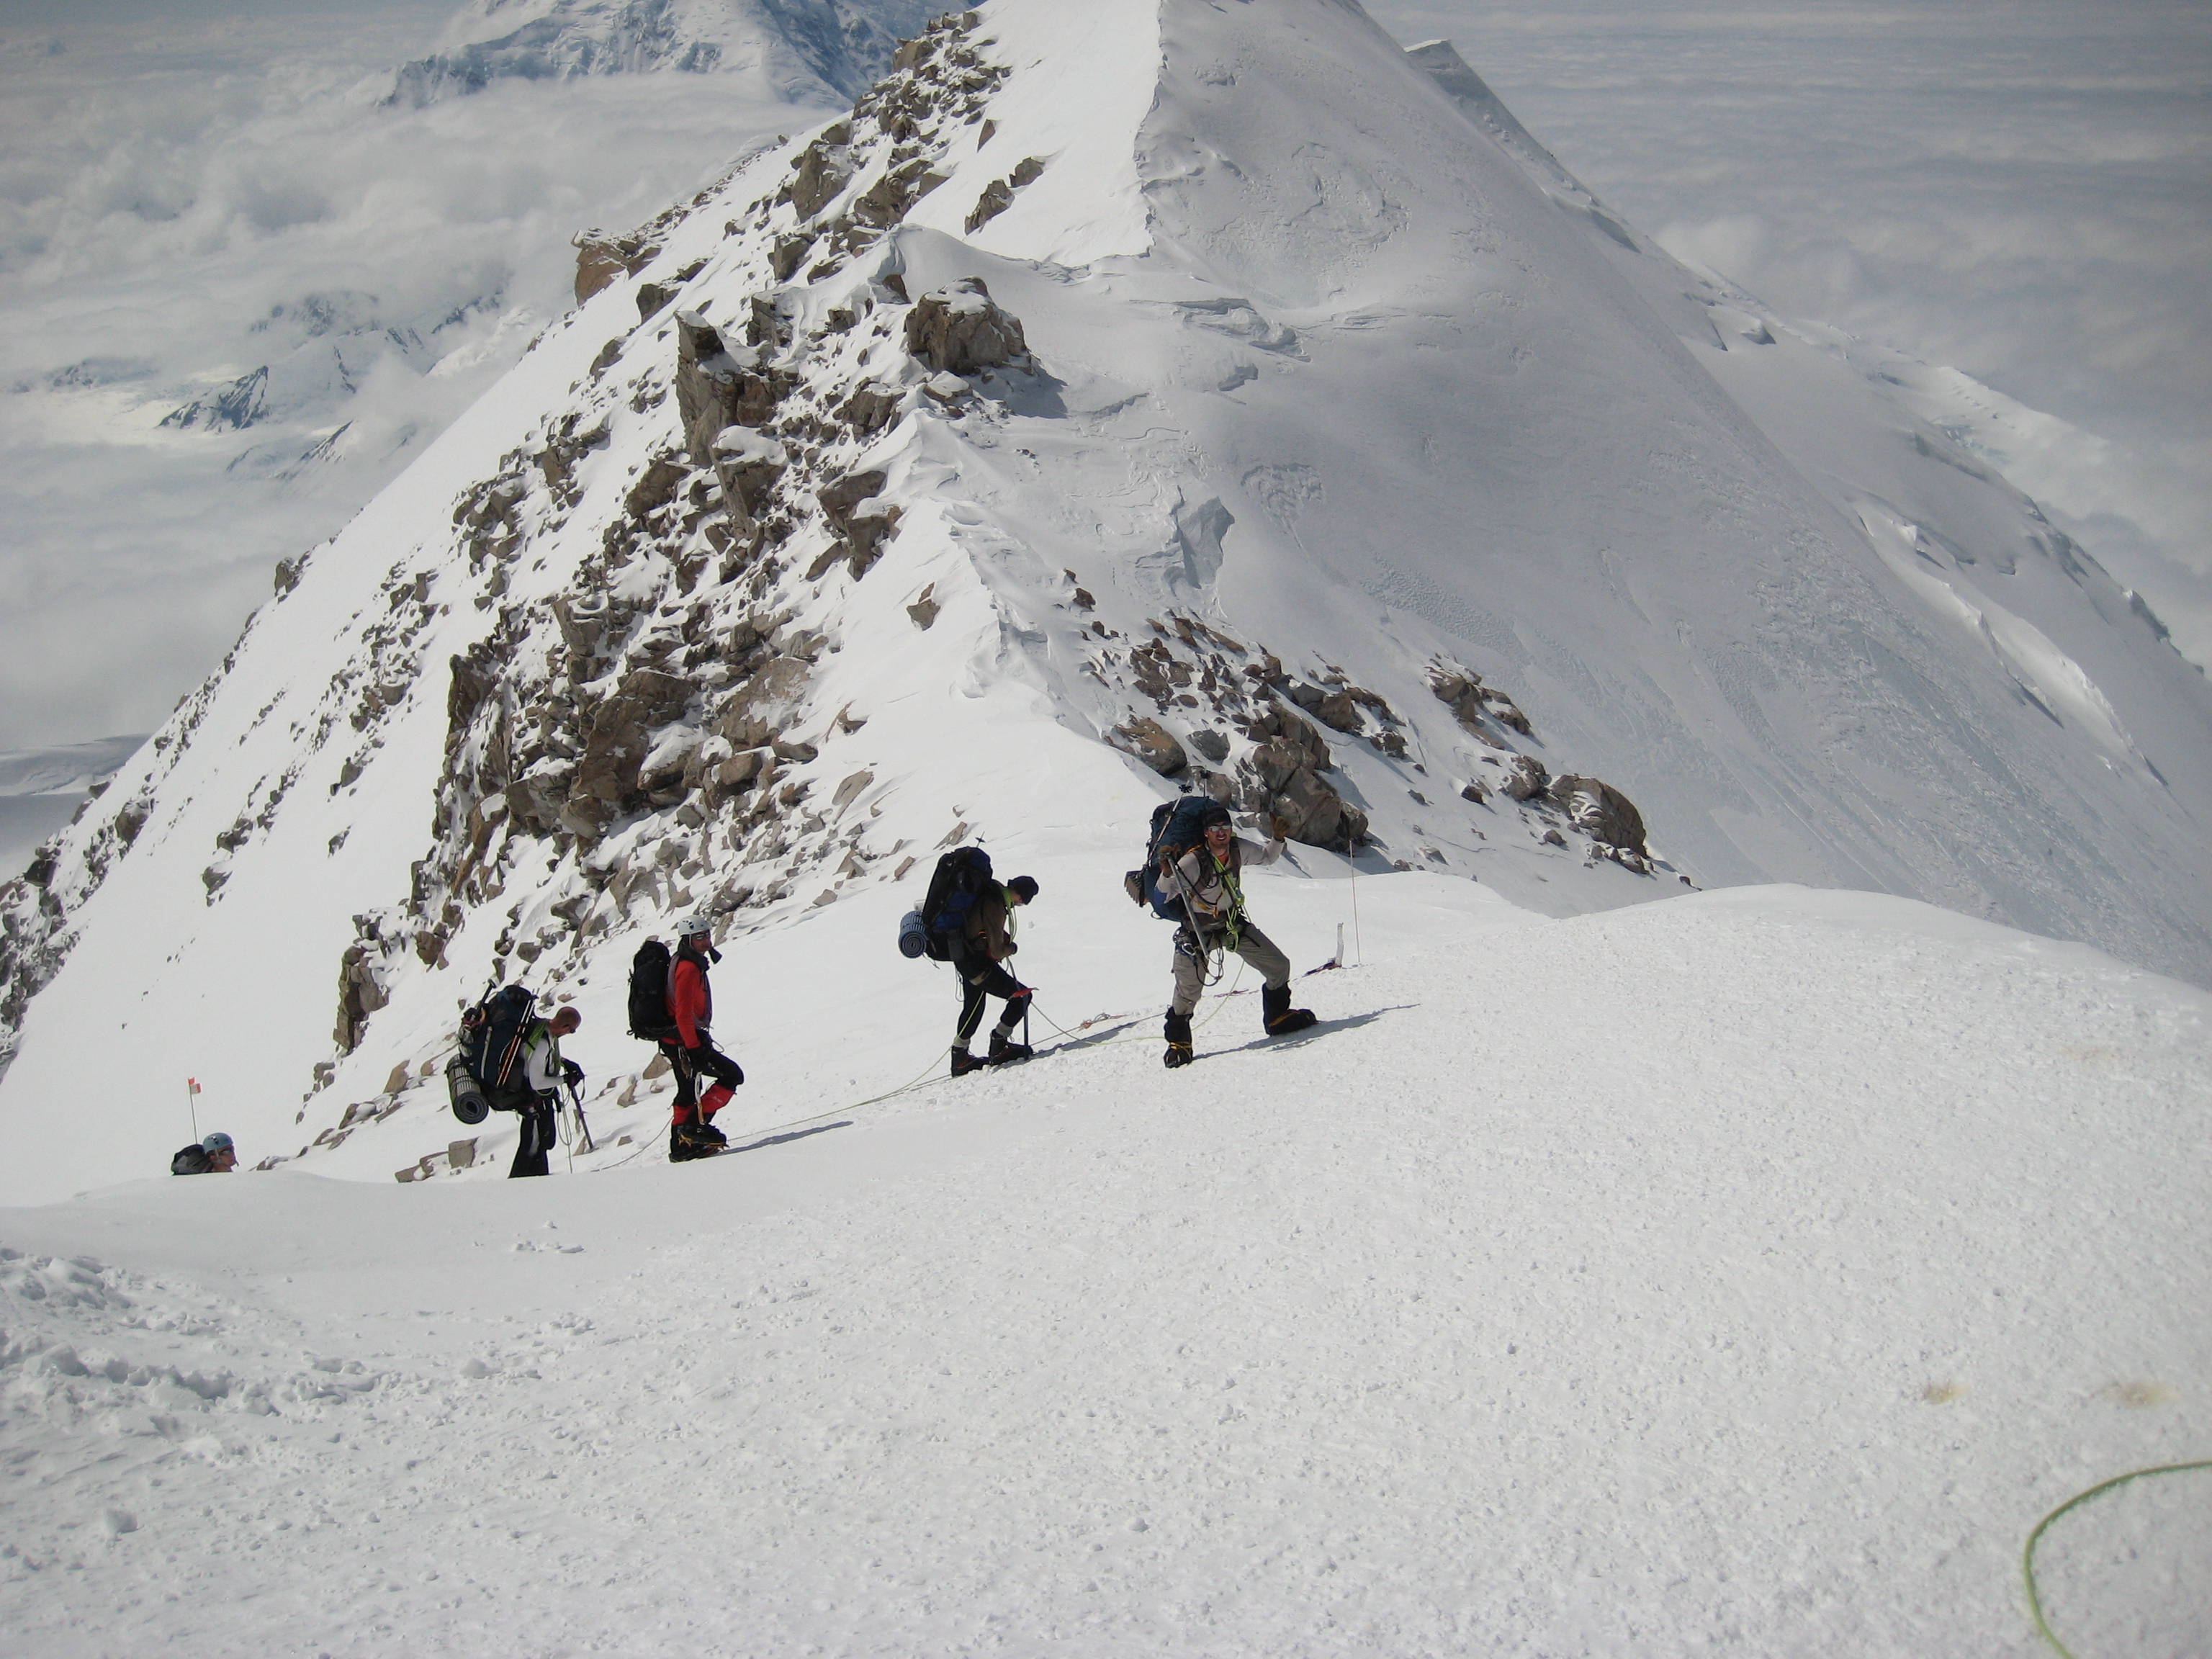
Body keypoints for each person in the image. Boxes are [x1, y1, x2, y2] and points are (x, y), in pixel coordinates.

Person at [1161, 804, 1313, 1067]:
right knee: (1188, 991)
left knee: (1278, 966)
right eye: (1215, 829)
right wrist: (1166, 872)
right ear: (1206, 833)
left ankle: (1277, 1018)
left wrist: (1278, 839)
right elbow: (1165, 893)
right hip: (1197, 932)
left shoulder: (1237, 848)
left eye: (1225, 828)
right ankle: (1179, 1043)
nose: (1221, 833)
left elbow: (1267, 857)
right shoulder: (1193, 861)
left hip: (1231, 924)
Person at [665, 914, 744, 1162]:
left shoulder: (688, 961)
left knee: (688, 1091)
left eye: (707, 935)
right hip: (685, 1040)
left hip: (679, 1040)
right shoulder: (688, 968)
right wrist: (694, 1048)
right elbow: (683, 1013)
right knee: (732, 1075)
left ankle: (682, 1146)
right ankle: (691, 1130)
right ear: (688, 939)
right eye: (699, 937)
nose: (706, 941)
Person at [950, 874, 1039, 1076]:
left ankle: (960, 1057)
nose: (1019, 904)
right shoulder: (996, 903)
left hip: (965, 956)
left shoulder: (991, 891)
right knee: (1022, 996)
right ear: (1020, 895)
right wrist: (1012, 948)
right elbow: (998, 950)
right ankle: (999, 1045)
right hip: (977, 963)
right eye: (1022, 901)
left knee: (974, 1006)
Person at [511, 1004, 583, 1179]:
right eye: (571, 1031)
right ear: (566, 1027)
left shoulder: (542, 1028)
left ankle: (539, 1181)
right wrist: (565, 1079)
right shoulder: (542, 1043)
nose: (569, 1034)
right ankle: (516, 1184)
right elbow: (537, 1082)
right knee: (533, 1144)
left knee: (542, 1141)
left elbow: (538, 1059)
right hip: (532, 1099)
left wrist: (564, 1062)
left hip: (538, 1099)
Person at [170, 1131, 238, 1175]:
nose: (231, 1154)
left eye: (232, 1149)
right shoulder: (207, 1181)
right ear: (213, 1157)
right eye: (225, 1152)